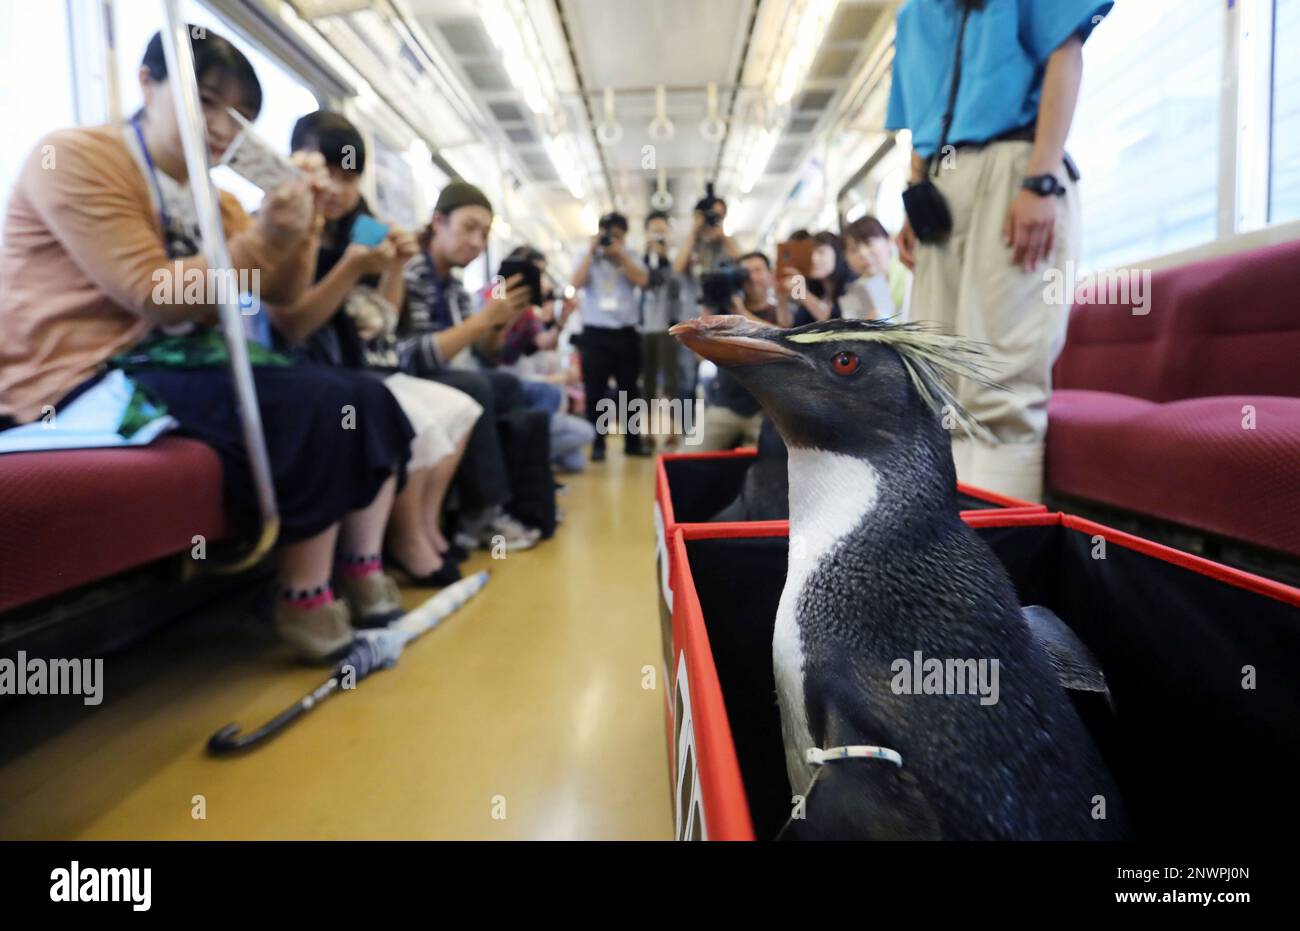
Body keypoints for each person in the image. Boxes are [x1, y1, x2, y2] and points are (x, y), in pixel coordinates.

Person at [0, 29, 413, 661]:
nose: (223, 126)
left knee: (364, 397)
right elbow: (153, 293)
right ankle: (303, 595)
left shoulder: (217, 201)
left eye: (241, 115)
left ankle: (354, 568)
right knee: (319, 403)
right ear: (147, 83)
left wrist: (302, 227)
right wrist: (266, 236)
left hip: (171, 366)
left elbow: (280, 295)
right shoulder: (79, 158)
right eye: (207, 101)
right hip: (80, 376)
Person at [887, 0, 1111, 501]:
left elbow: (1063, 53)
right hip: (942, 185)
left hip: (1015, 166)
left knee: (1000, 384)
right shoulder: (912, 15)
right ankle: (946, 544)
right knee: (937, 381)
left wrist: (1041, 178)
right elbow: (920, 121)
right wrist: (913, 197)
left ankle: (997, 549)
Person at [279, 110, 482, 588]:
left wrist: (392, 269)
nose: (337, 189)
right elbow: (294, 326)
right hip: (306, 363)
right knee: (403, 414)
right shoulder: (286, 226)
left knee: (461, 406)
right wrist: (352, 267)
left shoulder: (361, 229)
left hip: (356, 361)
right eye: (327, 173)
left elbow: (379, 324)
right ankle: (399, 542)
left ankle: (424, 527)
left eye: (348, 178)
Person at [399, 181, 544, 550]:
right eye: (468, 228)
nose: (477, 242)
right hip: (412, 377)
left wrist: (498, 324)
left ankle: (518, 499)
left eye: (484, 233)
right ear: (438, 222)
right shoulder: (411, 273)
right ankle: (480, 514)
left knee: (506, 385)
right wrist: (482, 321)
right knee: (475, 386)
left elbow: (485, 355)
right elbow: (413, 356)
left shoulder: (456, 288)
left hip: (450, 373)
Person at [570, 211, 650, 461]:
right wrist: (591, 250)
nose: (611, 240)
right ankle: (597, 443)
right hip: (595, 333)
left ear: (624, 236)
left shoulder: (631, 256)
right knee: (595, 390)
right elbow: (576, 283)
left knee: (629, 391)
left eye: (617, 236)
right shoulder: (588, 257)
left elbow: (643, 280)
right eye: (608, 235)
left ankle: (633, 442)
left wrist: (621, 254)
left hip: (626, 333)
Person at [698, 252, 779, 451]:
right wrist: (708, 308)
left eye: (758, 270)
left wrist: (742, 313)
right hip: (726, 405)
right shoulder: (724, 314)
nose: (751, 277)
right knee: (688, 459)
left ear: (770, 275)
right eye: (745, 272)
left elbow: (781, 338)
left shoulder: (782, 311)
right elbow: (699, 355)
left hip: (769, 412)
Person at [639, 210, 681, 446]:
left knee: (672, 380)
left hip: (668, 327)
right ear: (645, 233)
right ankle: (647, 430)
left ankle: (674, 428)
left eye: (661, 231)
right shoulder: (638, 260)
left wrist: (665, 258)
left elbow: (676, 285)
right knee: (647, 382)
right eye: (653, 231)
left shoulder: (676, 260)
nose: (657, 235)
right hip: (643, 328)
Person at [840, 215, 909, 320]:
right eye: (853, 250)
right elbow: (849, 327)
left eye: (868, 243)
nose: (862, 254)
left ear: (889, 241)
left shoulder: (910, 274)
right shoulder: (852, 294)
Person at [779, 231, 854, 326]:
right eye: (810, 253)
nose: (813, 259)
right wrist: (782, 300)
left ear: (837, 253)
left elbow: (838, 323)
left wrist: (803, 293)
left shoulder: (852, 284)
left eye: (821, 252)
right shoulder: (816, 289)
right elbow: (791, 325)